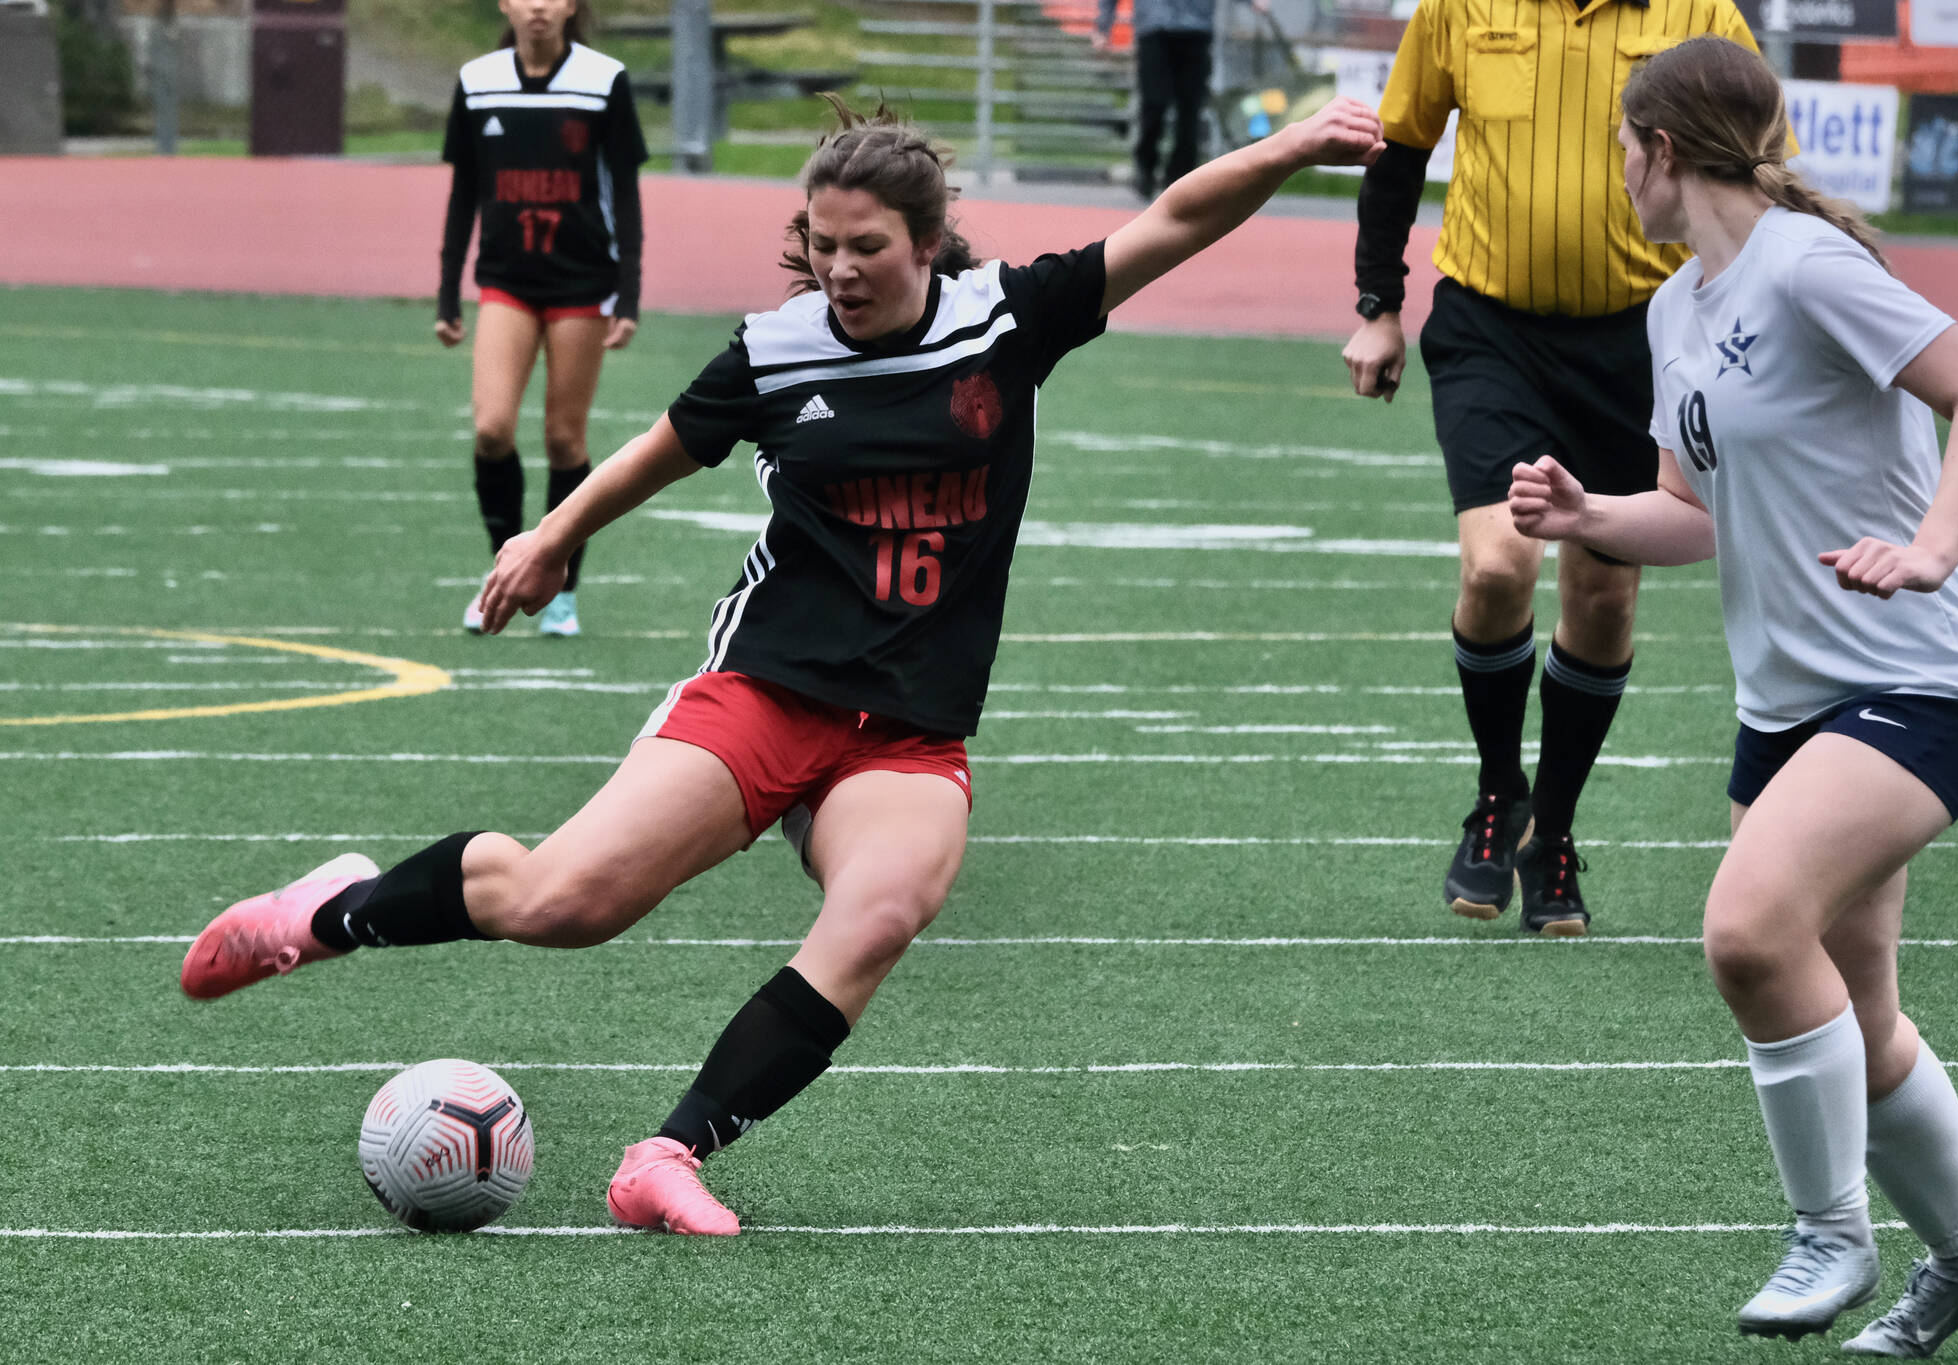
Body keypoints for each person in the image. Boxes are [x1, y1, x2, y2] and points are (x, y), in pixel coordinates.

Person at [179, 96, 1386, 1235]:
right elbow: (661, 450)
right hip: (767, 690)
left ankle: (665, 1159)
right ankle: (323, 916)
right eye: (820, 244)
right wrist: (551, 538)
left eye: (865, 247)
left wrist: (1286, 148)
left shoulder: (1005, 319)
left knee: (882, 911)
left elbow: (1172, 219)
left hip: (909, 732)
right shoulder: (775, 351)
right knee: (564, 906)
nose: (841, 269)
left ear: (926, 245)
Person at [1509, 36, 1958, 1354]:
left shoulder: (1808, 268)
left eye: (1622, 150)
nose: (1618, 174)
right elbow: (1696, 517)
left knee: (1747, 933)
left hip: (1916, 681)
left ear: (1661, 150)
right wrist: (1593, 515)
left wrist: (1933, 551)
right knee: (1855, 1017)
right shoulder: (1676, 309)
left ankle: (1831, 1233)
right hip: (1787, 707)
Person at [1344, 0, 1766, 934]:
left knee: (1607, 597)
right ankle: (1501, 794)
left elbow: (1755, 172)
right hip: (1492, 326)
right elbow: (1402, 147)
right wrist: (1379, 301)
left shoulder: (1704, 15)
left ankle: (1556, 834)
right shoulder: (1457, 8)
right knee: (1499, 563)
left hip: (1645, 339)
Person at [436, 0, 647, 639]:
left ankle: (561, 589)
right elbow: (464, 193)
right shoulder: (478, 81)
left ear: (571, 7)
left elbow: (626, 195)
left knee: (564, 440)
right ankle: (503, 571)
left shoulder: (604, 79)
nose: (538, 7)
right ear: (506, 4)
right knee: (493, 429)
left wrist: (628, 294)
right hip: (506, 281)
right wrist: (448, 292)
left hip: (582, 283)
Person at [1092, 0, 1268, 200]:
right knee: (1154, 104)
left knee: (1190, 109)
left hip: (1196, 30)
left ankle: (1180, 179)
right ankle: (1145, 166)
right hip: (1154, 28)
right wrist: (1102, 26)